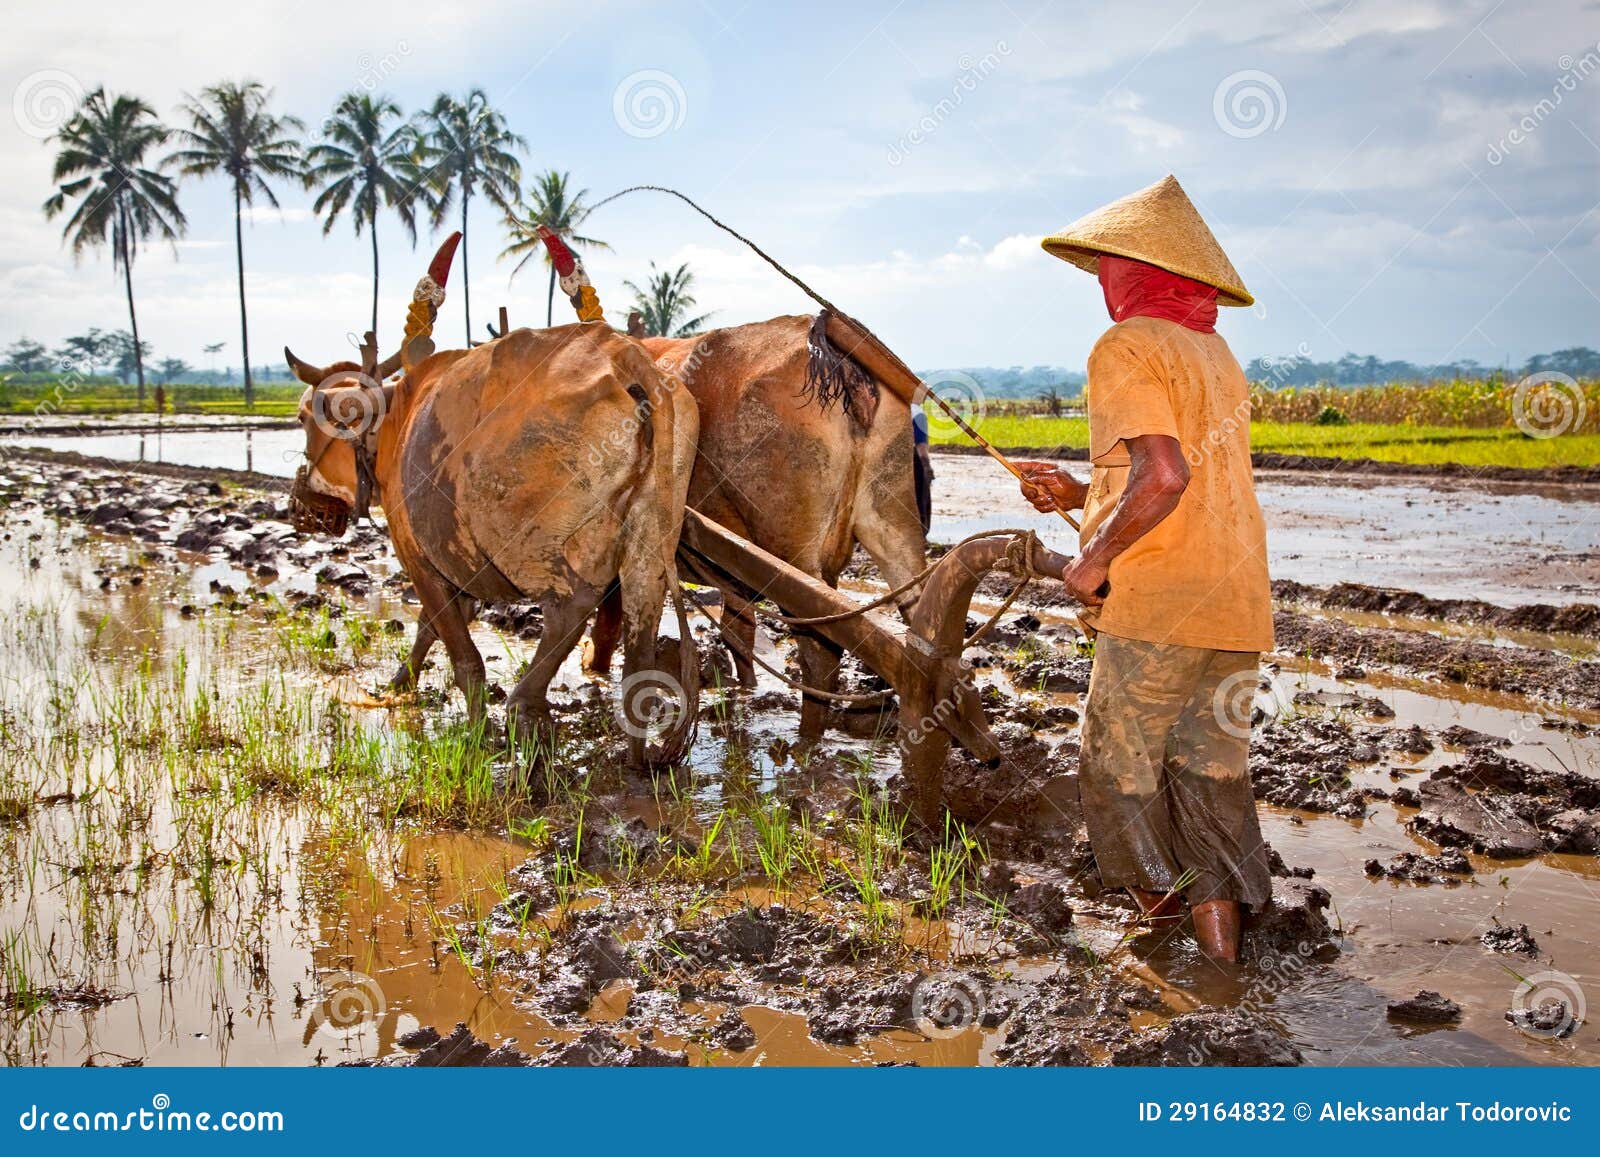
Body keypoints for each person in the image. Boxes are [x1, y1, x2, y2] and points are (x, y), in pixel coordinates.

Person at [1016, 174, 1273, 963]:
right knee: (1210, 779)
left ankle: (1157, 929)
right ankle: (1220, 963)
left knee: (1116, 769)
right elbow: (1168, 470)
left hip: (1158, 607)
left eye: (1107, 268)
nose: (1101, 281)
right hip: (1234, 604)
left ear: (1133, 274)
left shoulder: (1123, 345)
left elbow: (1164, 476)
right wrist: (1076, 490)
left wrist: (1093, 556)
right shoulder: (1215, 351)